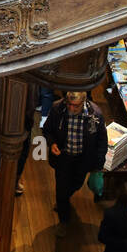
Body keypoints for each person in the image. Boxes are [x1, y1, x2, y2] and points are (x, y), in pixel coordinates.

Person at [43, 90, 108, 236]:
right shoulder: (57, 108)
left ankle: (63, 200)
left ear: (84, 102)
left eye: (76, 106)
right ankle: (63, 220)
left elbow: (102, 141)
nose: (72, 109)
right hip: (63, 158)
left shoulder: (95, 115)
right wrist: (52, 143)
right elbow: (47, 130)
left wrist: (98, 165)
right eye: (70, 105)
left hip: (83, 159)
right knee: (61, 188)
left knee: (77, 184)